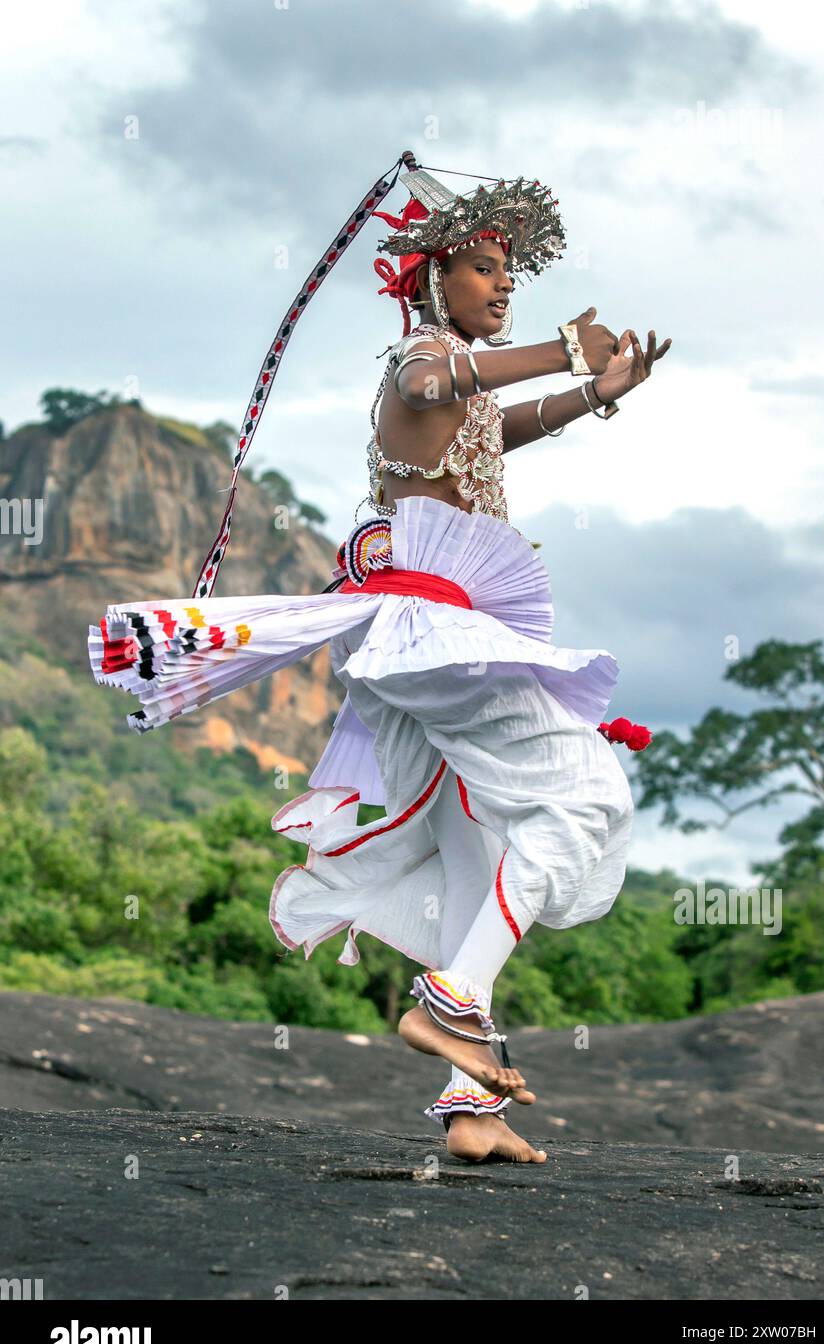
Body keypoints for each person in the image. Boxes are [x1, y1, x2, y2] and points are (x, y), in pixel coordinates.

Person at [88, 153, 670, 1165]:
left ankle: (467, 1107)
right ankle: (447, 1003)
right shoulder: (416, 366)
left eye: (508, 277)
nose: (500, 287)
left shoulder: (459, 391)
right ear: (433, 277)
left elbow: (493, 424)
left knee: (475, 859)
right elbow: (439, 377)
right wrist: (555, 350)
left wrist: (592, 392)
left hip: (429, 641)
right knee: (583, 799)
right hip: (434, 639)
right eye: (484, 269)